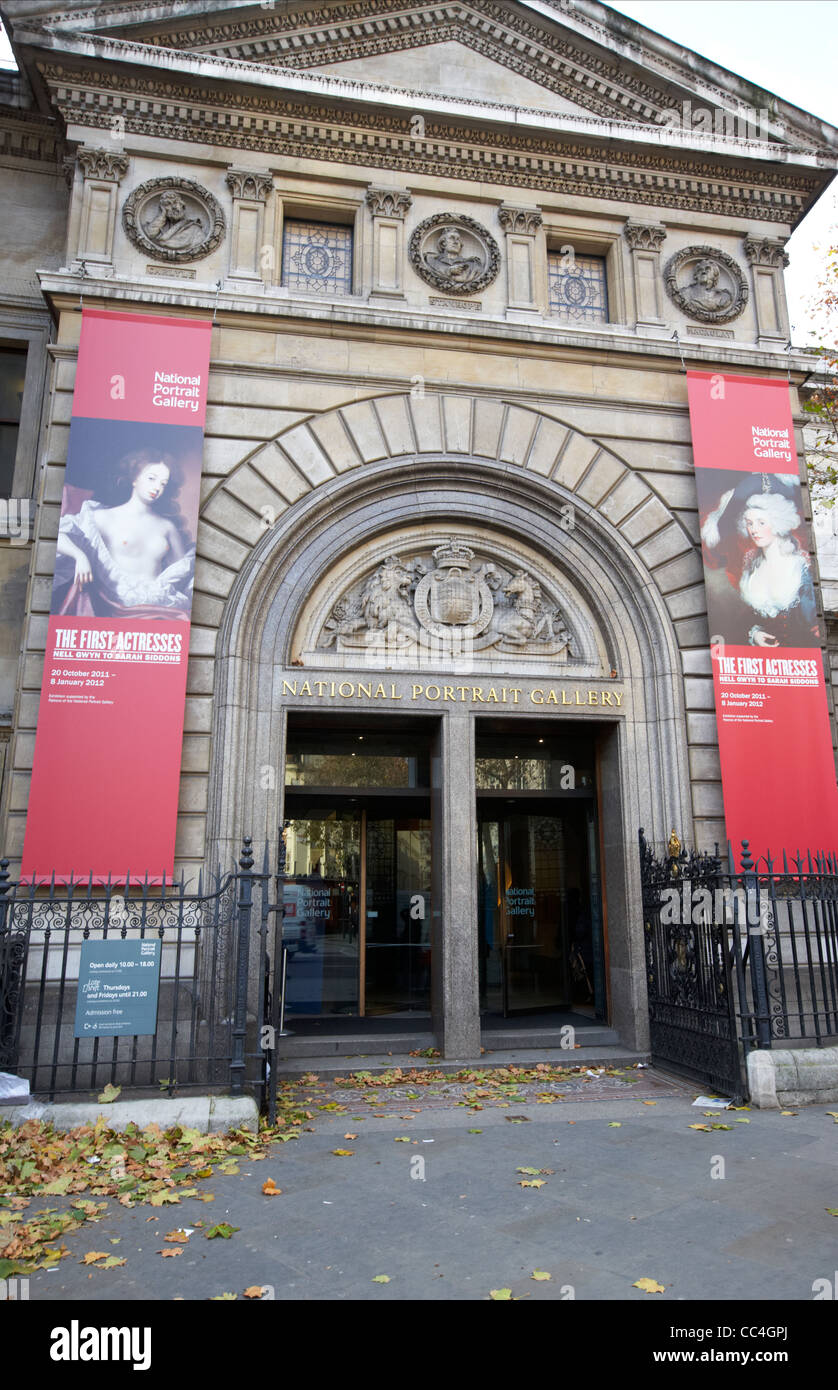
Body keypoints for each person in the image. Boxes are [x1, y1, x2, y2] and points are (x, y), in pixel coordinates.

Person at [54, 448, 195, 618]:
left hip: (160, 607)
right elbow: (60, 534)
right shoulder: (100, 517)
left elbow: (182, 573)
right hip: (115, 606)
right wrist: (79, 556)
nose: (156, 487)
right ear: (134, 478)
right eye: (151, 479)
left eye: (163, 483)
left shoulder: (167, 527)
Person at [700, 475, 819, 647]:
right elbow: (746, 617)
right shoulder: (750, 564)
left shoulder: (800, 566)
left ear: (778, 523)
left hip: (798, 657)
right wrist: (754, 633)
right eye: (749, 523)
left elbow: (811, 626)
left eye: (761, 522)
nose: (754, 530)